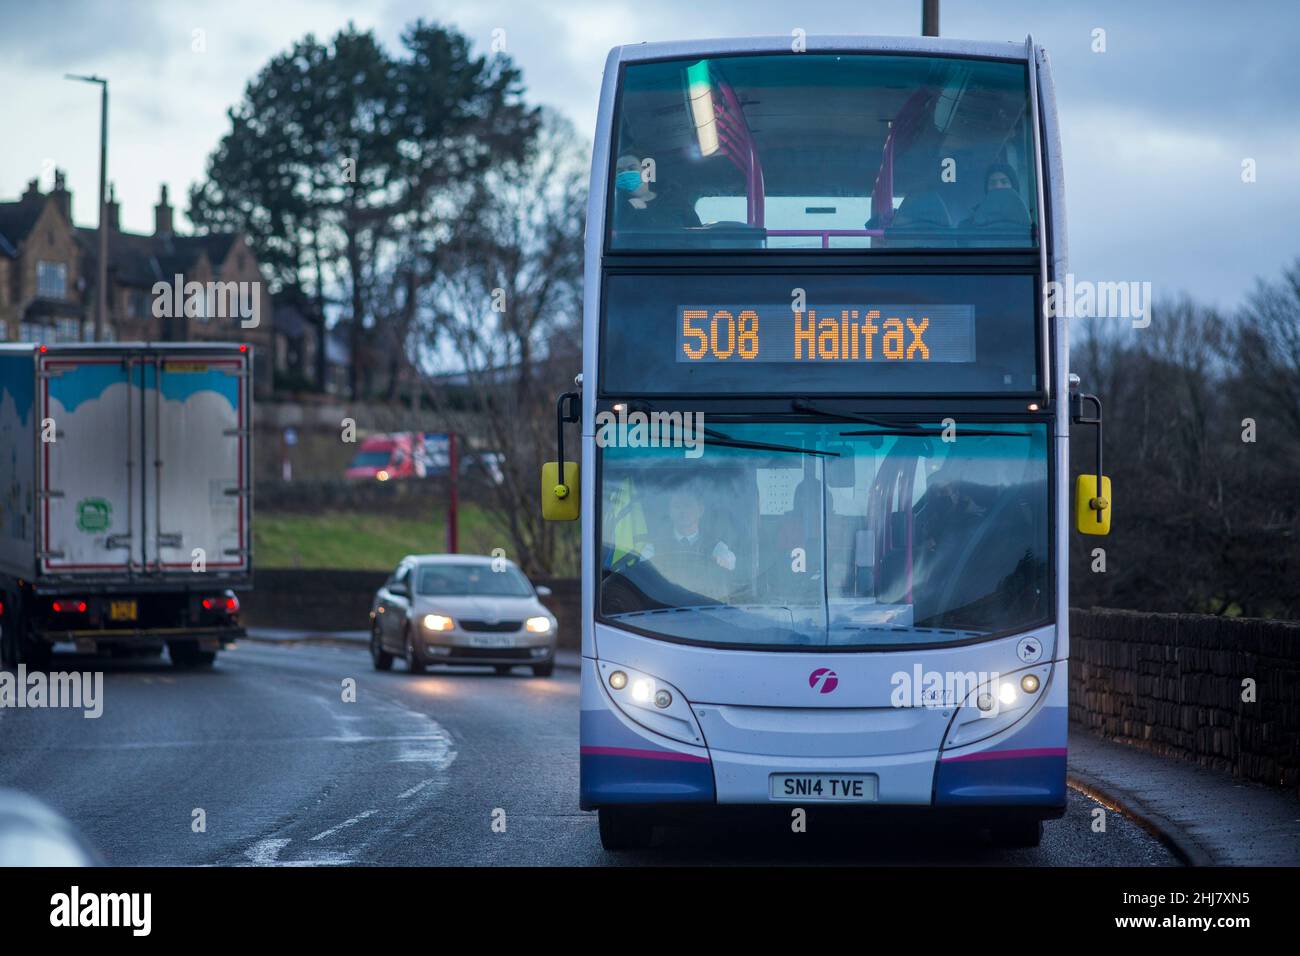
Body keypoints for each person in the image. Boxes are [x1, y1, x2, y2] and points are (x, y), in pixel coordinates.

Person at [640, 484, 737, 571]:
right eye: (677, 506)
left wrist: (722, 562)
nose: (682, 511)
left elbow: (729, 561)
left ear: (700, 510)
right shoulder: (654, 546)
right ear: (670, 511)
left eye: (687, 506)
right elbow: (642, 568)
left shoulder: (714, 545)